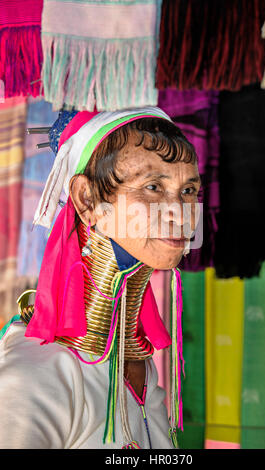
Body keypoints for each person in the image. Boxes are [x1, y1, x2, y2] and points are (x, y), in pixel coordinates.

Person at [0, 107, 201, 449]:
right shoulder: (39, 373)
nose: (180, 212)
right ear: (87, 200)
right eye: (153, 186)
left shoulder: (141, 367)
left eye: (188, 191)